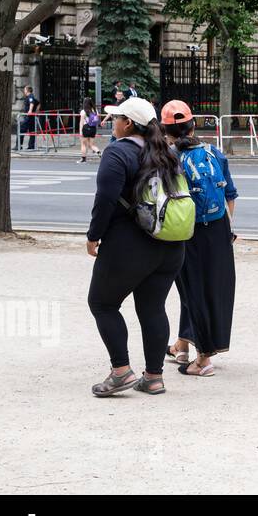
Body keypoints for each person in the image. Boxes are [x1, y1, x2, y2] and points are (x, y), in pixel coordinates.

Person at [86, 97, 186, 397]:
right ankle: (154, 377)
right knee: (152, 307)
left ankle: (121, 372)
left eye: (115, 118)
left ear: (127, 123)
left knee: (102, 303)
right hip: (170, 244)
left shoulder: (118, 152)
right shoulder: (167, 152)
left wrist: (94, 236)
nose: (111, 123)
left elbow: (105, 199)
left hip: (130, 244)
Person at [161, 100, 238, 377]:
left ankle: (203, 359)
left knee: (192, 290)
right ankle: (182, 345)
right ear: (193, 125)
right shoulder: (213, 153)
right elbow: (230, 194)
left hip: (185, 231)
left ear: (166, 130)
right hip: (217, 228)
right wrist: (227, 228)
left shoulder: (168, 158)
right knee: (210, 288)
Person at [77, 97, 102, 162]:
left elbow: (81, 122)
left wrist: (80, 131)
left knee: (83, 144)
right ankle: (98, 152)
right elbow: (97, 118)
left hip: (85, 128)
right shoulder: (95, 110)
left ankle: (83, 159)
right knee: (92, 145)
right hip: (93, 128)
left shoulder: (83, 111)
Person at [17, 85, 40, 150]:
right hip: (32, 117)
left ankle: (18, 146)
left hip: (29, 117)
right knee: (32, 131)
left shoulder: (30, 96)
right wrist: (36, 111)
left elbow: (32, 103)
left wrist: (30, 111)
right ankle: (31, 146)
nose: (24, 91)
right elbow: (38, 103)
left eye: (24, 90)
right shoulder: (30, 97)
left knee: (21, 130)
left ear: (27, 90)